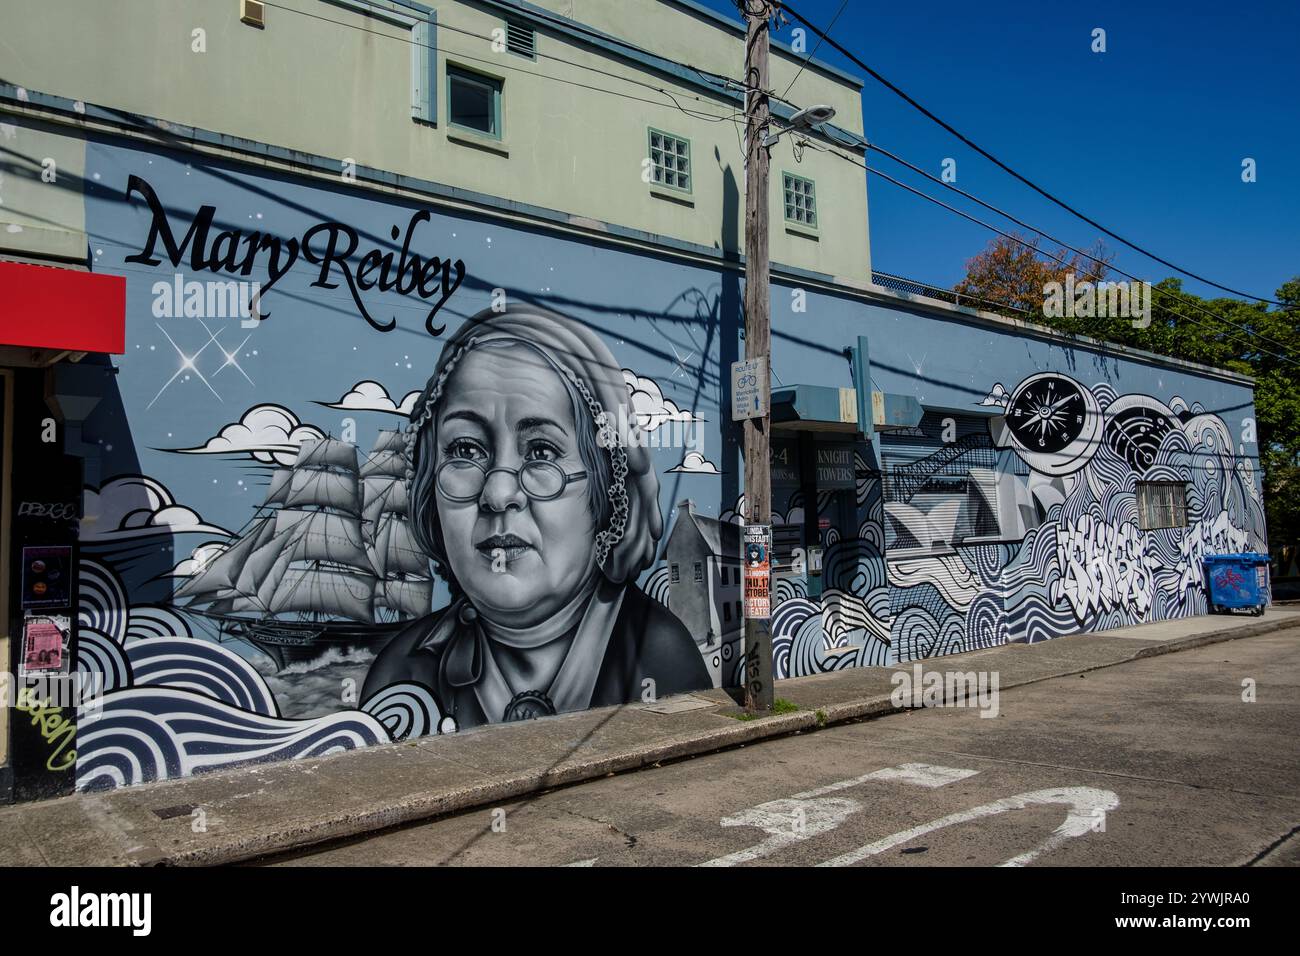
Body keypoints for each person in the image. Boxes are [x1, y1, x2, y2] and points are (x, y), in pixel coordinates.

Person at [362, 304, 709, 728]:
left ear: (606, 486)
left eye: (541, 452)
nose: (498, 493)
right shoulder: (400, 673)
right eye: (465, 451)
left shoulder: (656, 656)